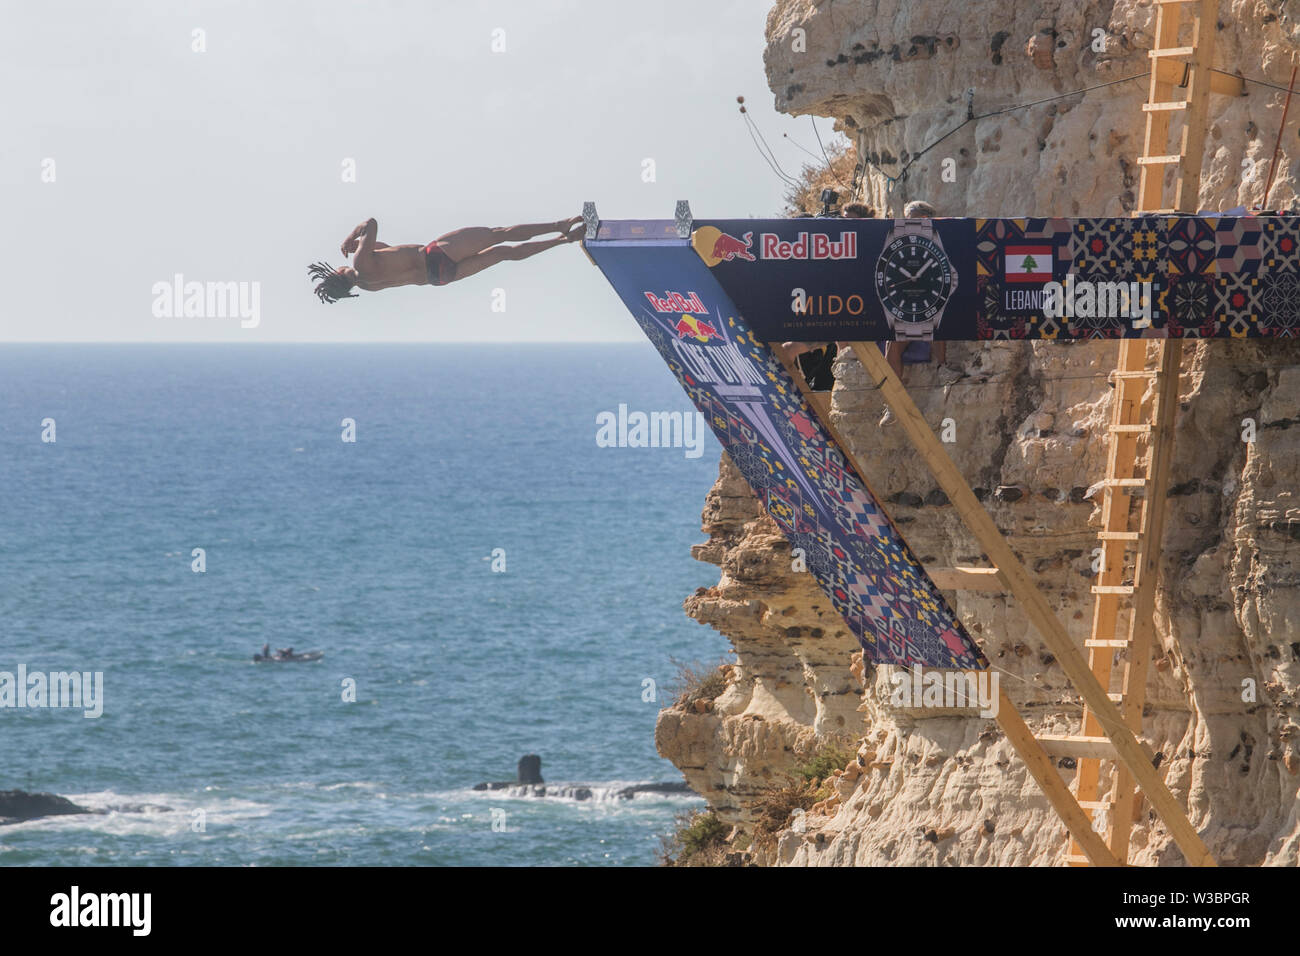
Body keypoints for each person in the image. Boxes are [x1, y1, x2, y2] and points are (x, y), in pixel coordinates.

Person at [309, 215, 585, 303]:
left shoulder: (368, 285)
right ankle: (559, 226)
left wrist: (363, 246)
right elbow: (371, 222)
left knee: (503, 255)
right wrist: (351, 238)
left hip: (439, 277)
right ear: (337, 273)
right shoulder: (359, 263)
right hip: (435, 254)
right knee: (498, 235)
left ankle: (564, 240)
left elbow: (390, 253)